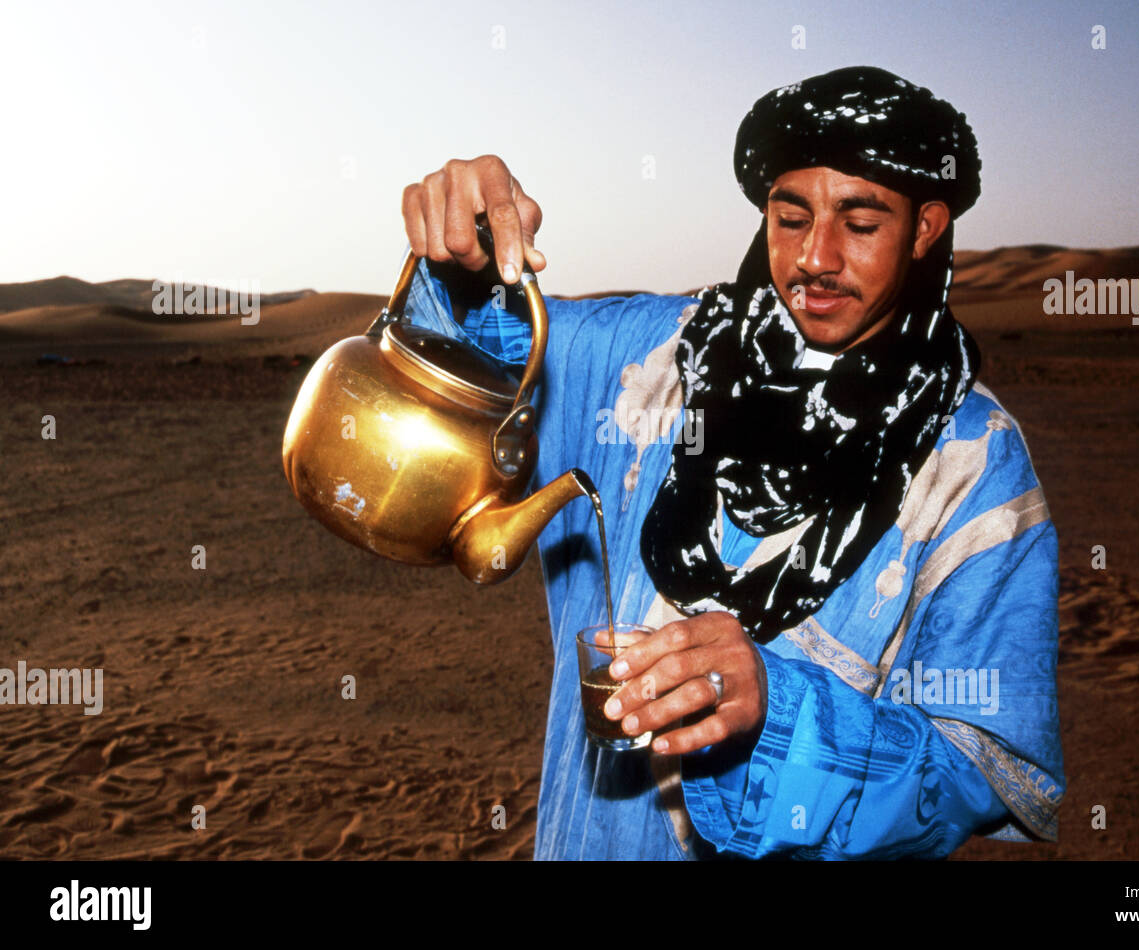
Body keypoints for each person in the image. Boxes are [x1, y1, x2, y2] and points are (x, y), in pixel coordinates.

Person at [399, 66, 1065, 859]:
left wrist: (779, 713)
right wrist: (462, 263)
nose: (815, 257)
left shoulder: (975, 465)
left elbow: (979, 772)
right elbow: (464, 371)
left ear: (925, 229)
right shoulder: (642, 357)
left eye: (860, 223)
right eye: (790, 217)